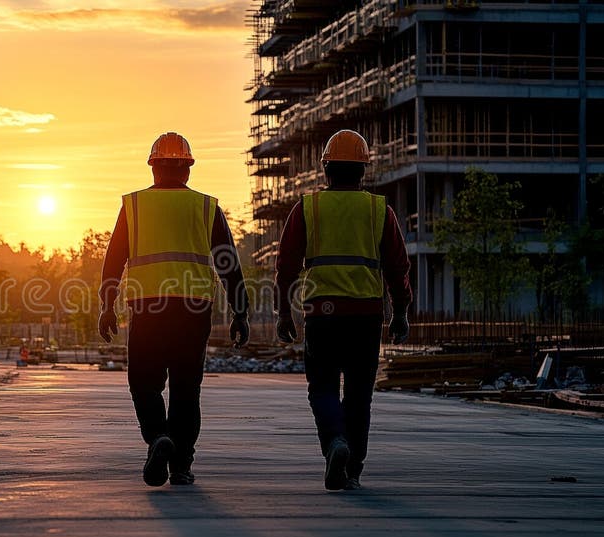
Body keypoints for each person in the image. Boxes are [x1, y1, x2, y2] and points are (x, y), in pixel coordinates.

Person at [98, 132, 250, 487]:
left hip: (147, 305)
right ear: (188, 169)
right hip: (193, 309)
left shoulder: (134, 206)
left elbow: (113, 260)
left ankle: (157, 437)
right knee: (186, 388)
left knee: (144, 384)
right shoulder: (205, 206)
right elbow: (228, 262)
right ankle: (180, 465)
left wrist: (107, 305)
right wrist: (240, 311)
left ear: (153, 167)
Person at [273, 129, 412, 491]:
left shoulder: (308, 207)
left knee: (321, 387)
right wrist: (401, 312)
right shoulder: (379, 209)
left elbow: (286, 266)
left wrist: (283, 313)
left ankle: (335, 441)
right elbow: (398, 267)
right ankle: (353, 468)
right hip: (366, 317)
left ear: (325, 170)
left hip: (322, 315)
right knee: (359, 395)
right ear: (363, 171)